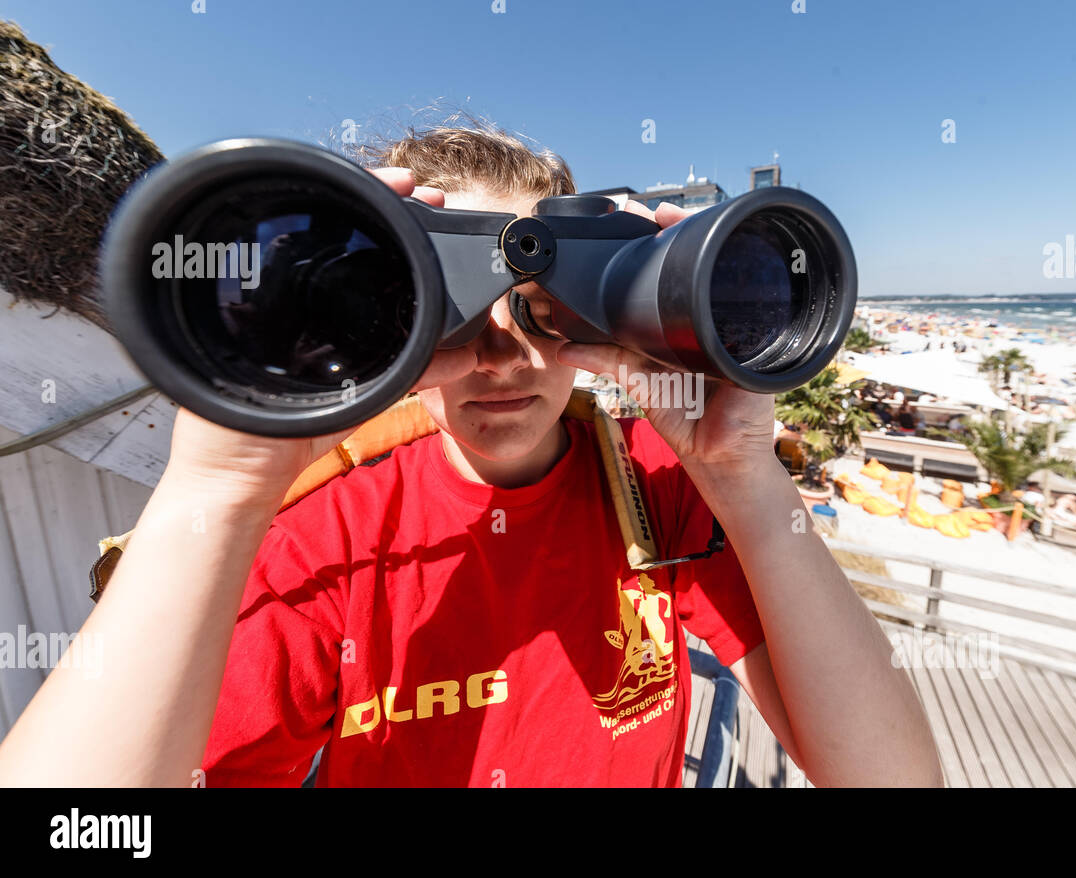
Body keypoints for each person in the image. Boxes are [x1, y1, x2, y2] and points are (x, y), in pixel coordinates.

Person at [0, 119, 941, 788]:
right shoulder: (316, 539)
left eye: (545, 304)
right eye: (437, 305)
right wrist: (225, 489)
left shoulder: (660, 491)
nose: (502, 352)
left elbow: (891, 779)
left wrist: (742, 471)